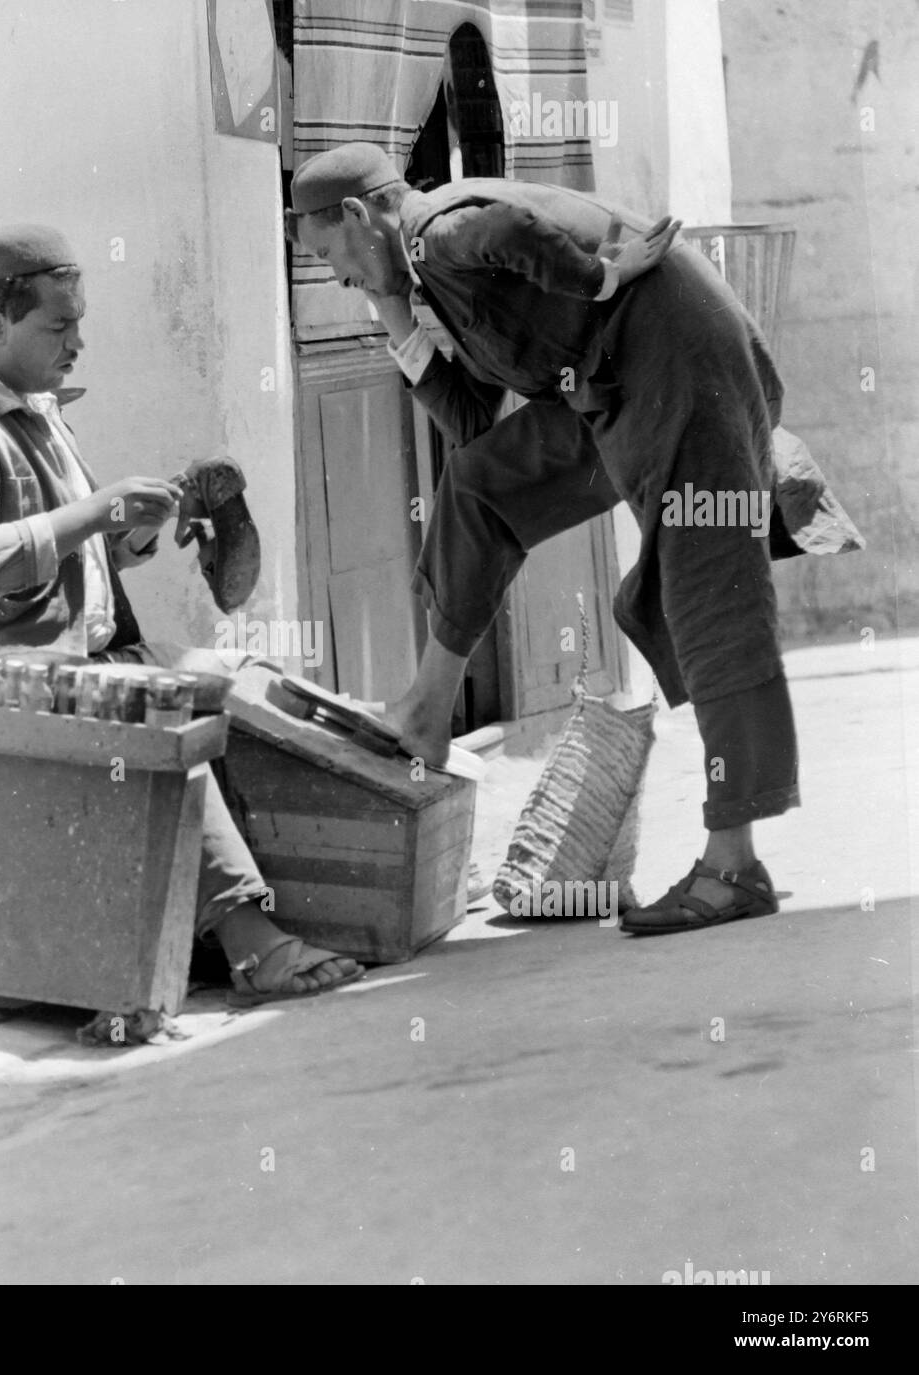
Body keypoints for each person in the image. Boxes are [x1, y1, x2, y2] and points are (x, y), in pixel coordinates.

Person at [286, 143, 862, 935]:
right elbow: (472, 426)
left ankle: (734, 863)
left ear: (358, 215)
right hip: (606, 389)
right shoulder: (427, 280)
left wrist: (602, 278)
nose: (337, 276)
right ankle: (426, 710)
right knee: (482, 486)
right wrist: (393, 317)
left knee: (701, 596)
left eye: (328, 256)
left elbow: (513, 227)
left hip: (681, 365)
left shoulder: (440, 236)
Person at [0, 223, 362, 999]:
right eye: (59, 326)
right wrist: (99, 512)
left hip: (74, 654)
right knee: (158, 716)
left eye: (80, 322)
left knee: (251, 684)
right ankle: (248, 938)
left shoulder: (34, 409)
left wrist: (133, 529)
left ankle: (374, 867)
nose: (78, 343)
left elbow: (68, 549)